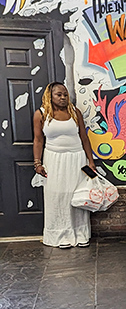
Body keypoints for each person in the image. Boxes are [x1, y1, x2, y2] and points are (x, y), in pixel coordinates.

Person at [32, 82, 96, 248]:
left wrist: (91, 161)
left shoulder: (75, 112)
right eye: (59, 94)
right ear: (50, 96)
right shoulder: (41, 114)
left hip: (77, 159)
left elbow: (84, 137)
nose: (63, 98)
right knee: (57, 196)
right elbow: (38, 140)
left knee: (77, 195)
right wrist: (37, 163)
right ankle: (60, 235)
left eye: (65, 95)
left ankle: (80, 233)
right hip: (53, 160)